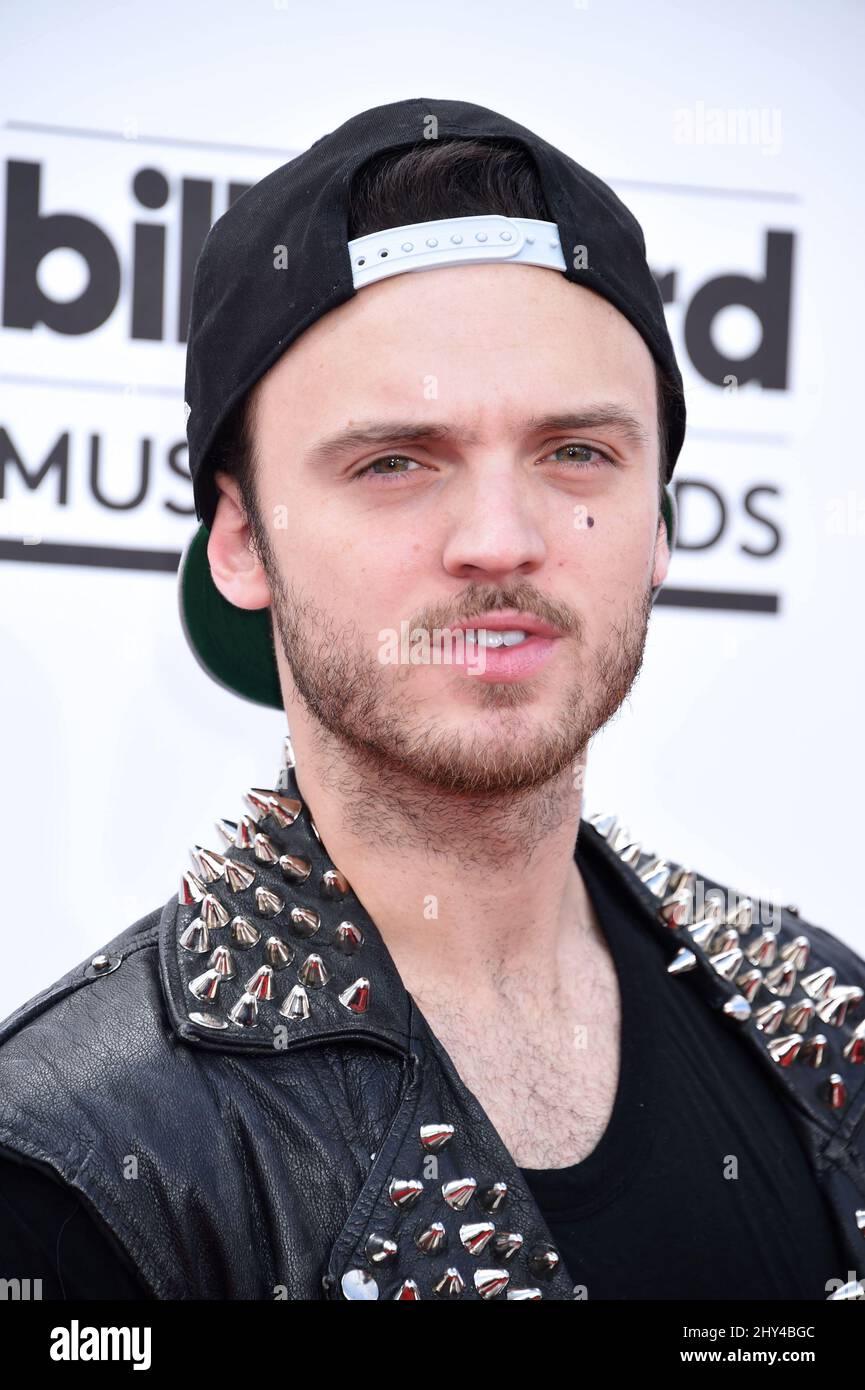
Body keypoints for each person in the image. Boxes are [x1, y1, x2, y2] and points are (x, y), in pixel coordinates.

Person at [1, 96, 864, 1303]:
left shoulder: (823, 1023)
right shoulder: (76, 1163)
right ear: (242, 541)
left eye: (577, 452)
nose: (499, 541)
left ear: (661, 526)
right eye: (395, 462)